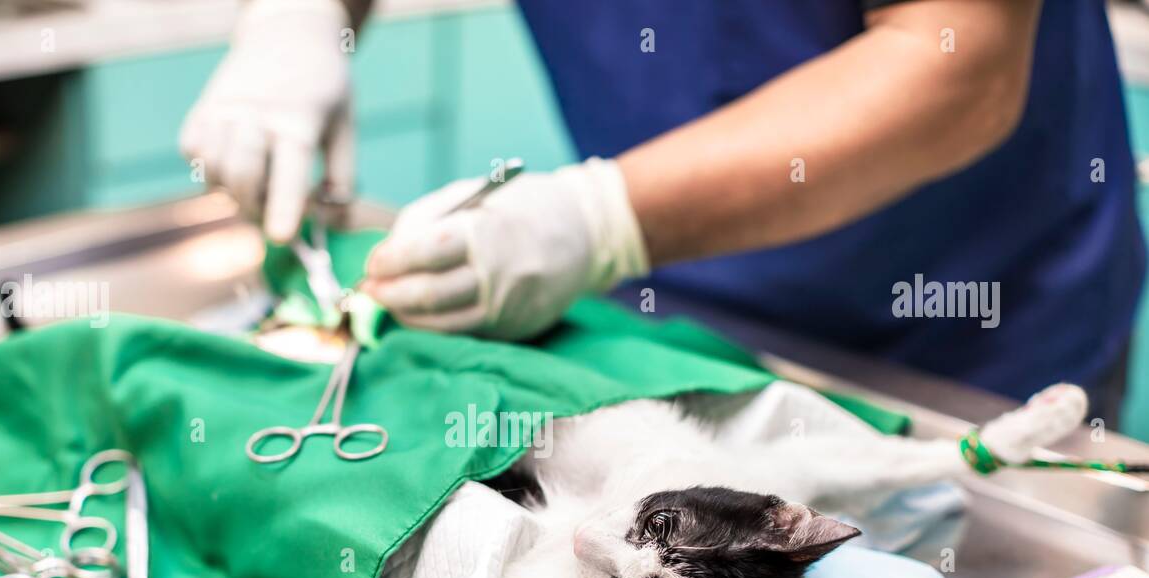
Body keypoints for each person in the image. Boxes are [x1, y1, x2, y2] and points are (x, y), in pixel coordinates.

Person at [181, 0, 1144, 424]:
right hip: (657, 305)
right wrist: (293, 18)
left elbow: (957, 61)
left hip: (966, 326)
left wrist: (599, 217)